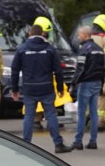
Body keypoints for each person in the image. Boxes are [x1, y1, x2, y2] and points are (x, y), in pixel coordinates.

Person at [9, 16, 70, 152]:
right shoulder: (49, 49)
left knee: (29, 116)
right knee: (51, 115)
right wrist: (60, 88)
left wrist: (14, 89)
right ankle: (58, 144)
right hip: (46, 87)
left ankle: (25, 145)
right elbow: (58, 71)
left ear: (30, 33)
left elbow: (14, 70)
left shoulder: (22, 49)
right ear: (43, 33)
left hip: (29, 88)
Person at [72, 24, 105, 150]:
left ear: (85, 35)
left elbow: (80, 69)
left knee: (81, 113)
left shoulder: (84, 49)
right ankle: (93, 141)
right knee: (94, 113)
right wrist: (101, 84)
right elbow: (103, 69)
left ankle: (78, 141)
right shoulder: (99, 49)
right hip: (97, 82)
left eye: (79, 34)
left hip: (86, 83)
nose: (78, 36)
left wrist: (74, 83)